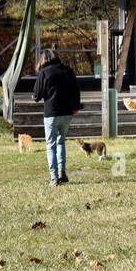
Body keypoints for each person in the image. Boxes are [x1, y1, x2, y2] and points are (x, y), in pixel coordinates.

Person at [31, 49, 81, 185]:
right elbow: (76, 90)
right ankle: (62, 173)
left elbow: (37, 95)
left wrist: (35, 96)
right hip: (67, 113)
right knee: (61, 142)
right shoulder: (68, 71)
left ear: (43, 60)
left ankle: (54, 178)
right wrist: (76, 107)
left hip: (51, 114)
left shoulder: (44, 73)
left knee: (51, 145)